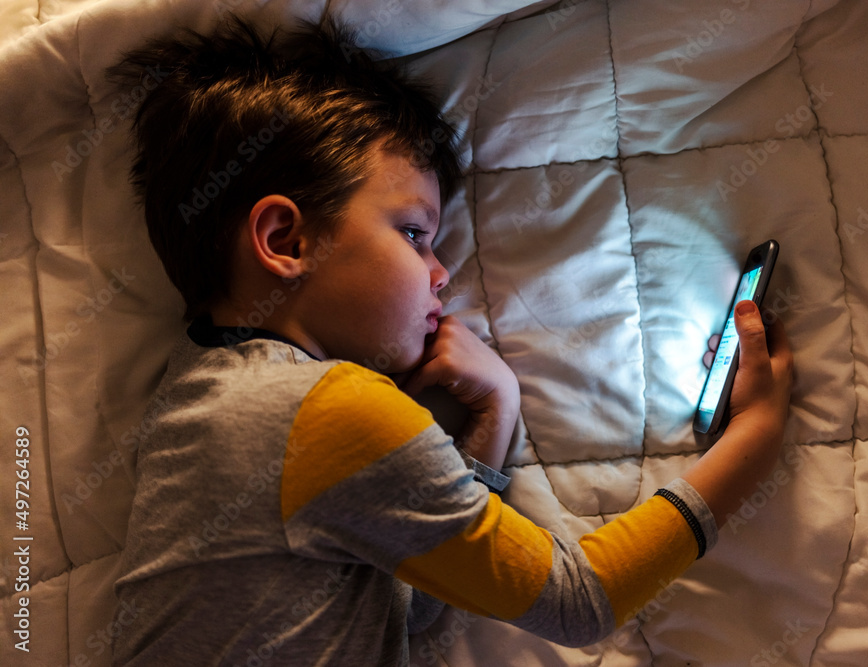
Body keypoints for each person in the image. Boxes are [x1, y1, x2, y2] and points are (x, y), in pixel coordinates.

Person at [108, 16, 794, 667]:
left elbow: (402, 612)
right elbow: (580, 600)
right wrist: (757, 435)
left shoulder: (196, 392)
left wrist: (495, 412)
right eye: (413, 234)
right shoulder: (325, 409)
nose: (442, 275)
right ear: (287, 240)